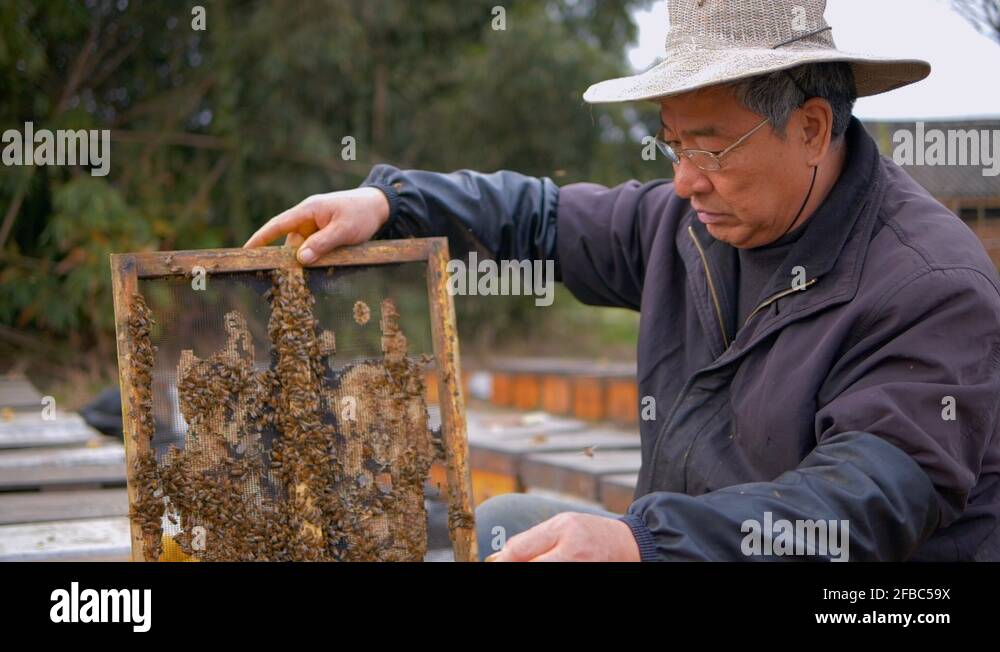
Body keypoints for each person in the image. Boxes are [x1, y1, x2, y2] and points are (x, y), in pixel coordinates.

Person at [245, 0, 1000, 561]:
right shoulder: (690, 226)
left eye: (709, 148)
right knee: (509, 527)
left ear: (809, 127)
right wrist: (391, 203)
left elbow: (860, 504)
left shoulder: (928, 284)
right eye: (671, 145)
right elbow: (538, 217)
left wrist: (644, 544)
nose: (682, 183)